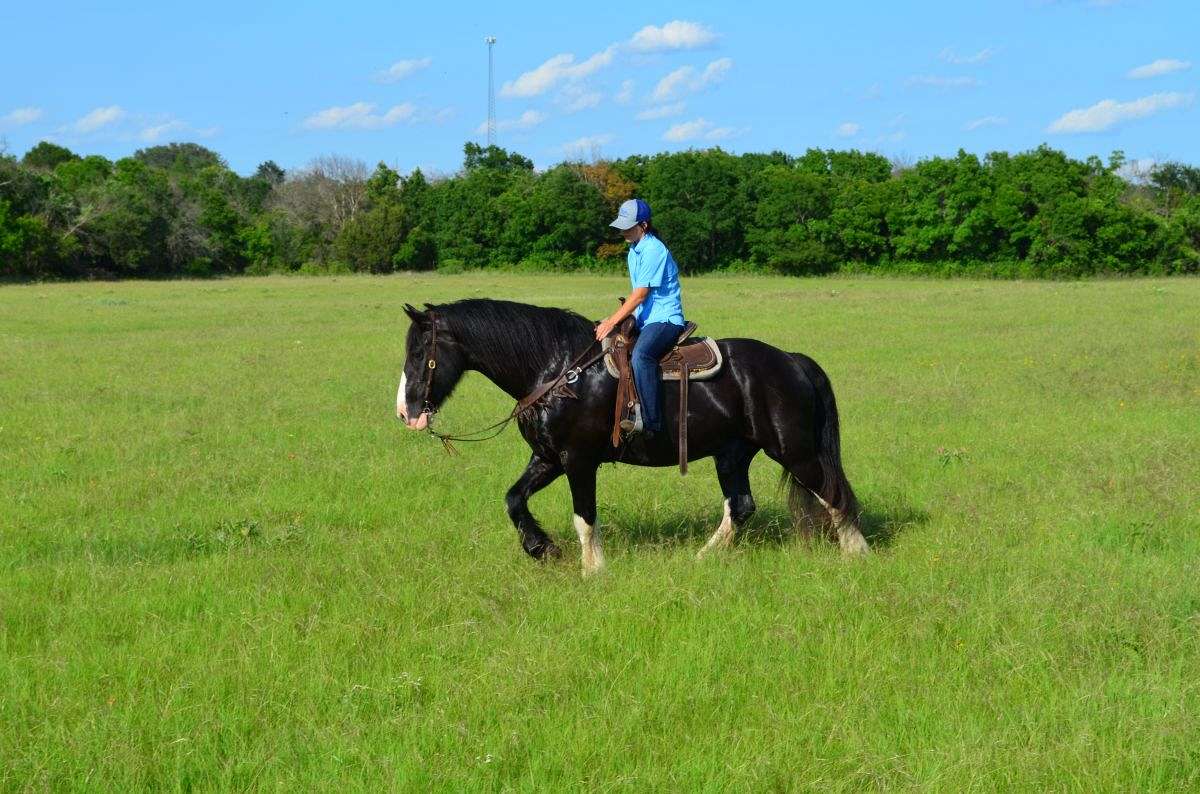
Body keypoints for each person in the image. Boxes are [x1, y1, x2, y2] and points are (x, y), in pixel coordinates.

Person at [594, 198, 686, 438]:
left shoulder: (653, 249)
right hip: (645, 318)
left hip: (665, 319)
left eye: (628, 226)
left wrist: (612, 321)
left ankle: (652, 424)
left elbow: (640, 294)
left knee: (641, 356)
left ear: (643, 225)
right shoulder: (634, 250)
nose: (623, 231)